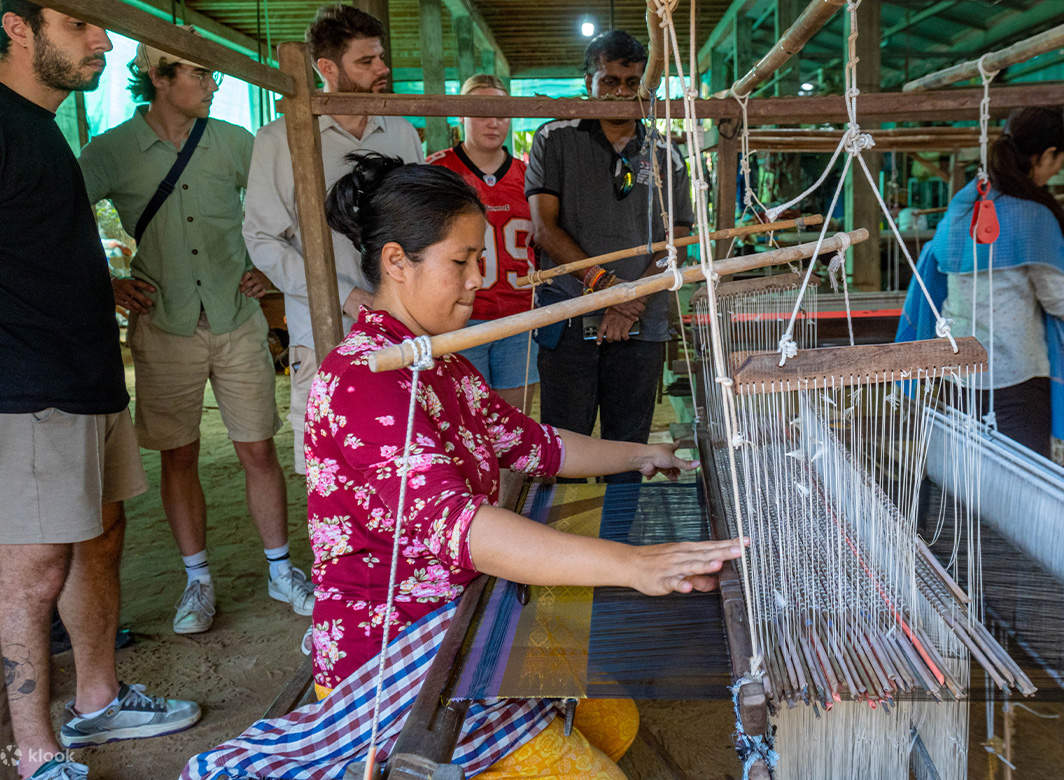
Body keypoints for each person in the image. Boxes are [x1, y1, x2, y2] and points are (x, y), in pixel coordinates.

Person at [180, 153, 745, 779]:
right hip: (393, 653)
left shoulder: (436, 362)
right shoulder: (365, 378)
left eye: (480, 257)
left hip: (457, 615)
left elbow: (535, 445)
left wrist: (644, 454)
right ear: (397, 262)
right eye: (462, 260)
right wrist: (633, 565)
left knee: (617, 722)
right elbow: (462, 529)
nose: (481, 276)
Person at [0, 3, 198, 778]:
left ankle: (97, 700)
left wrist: (96, 282)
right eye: (80, 23)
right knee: (32, 566)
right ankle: (33, 750)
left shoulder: (39, 122)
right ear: (17, 26)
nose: (102, 39)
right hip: (25, 387)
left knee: (100, 537)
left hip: (88, 376)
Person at [78, 27, 304, 635]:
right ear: (158, 76)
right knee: (179, 455)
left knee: (259, 447)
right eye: (200, 75)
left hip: (236, 317)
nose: (210, 85)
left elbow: (281, 214)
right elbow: (55, 222)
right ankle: (197, 579)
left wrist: (268, 274)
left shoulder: (235, 143)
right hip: (164, 324)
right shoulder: (110, 150)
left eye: (213, 76)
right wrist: (108, 282)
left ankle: (281, 570)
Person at [244, 3, 425, 475]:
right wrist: (344, 297)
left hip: (401, 326)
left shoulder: (402, 132)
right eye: (366, 62)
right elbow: (261, 239)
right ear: (327, 68)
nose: (382, 70)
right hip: (322, 332)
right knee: (331, 465)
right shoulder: (278, 140)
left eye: (381, 58)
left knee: (403, 457)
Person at [526, 30, 693, 480]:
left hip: (642, 324)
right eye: (610, 81)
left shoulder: (666, 154)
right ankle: (564, 548)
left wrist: (629, 301)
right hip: (569, 315)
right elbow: (545, 230)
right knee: (565, 447)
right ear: (588, 82)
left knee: (629, 450)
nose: (622, 93)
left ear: (649, 88)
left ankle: (620, 544)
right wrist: (609, 291)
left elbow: (675, 242)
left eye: (633, 83)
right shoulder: (554, 139)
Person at [896, 107, 1064, 457]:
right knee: (1023, 484)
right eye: (1058, 162)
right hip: (1014, 380)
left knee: (961, 484)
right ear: (1047, 154)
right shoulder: (1032, 216)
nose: (1057, 171)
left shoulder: (962, 207)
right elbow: (1062, 302)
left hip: (955, 374)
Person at [428, 73, 537, 412]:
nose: (493, 122)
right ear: (461, 114)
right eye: (481, 112)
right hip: (460, 315)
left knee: (513, 427)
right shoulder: (438, 171)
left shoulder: (530, 174)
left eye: (502, 112)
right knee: (467, 423)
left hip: (520, 316)